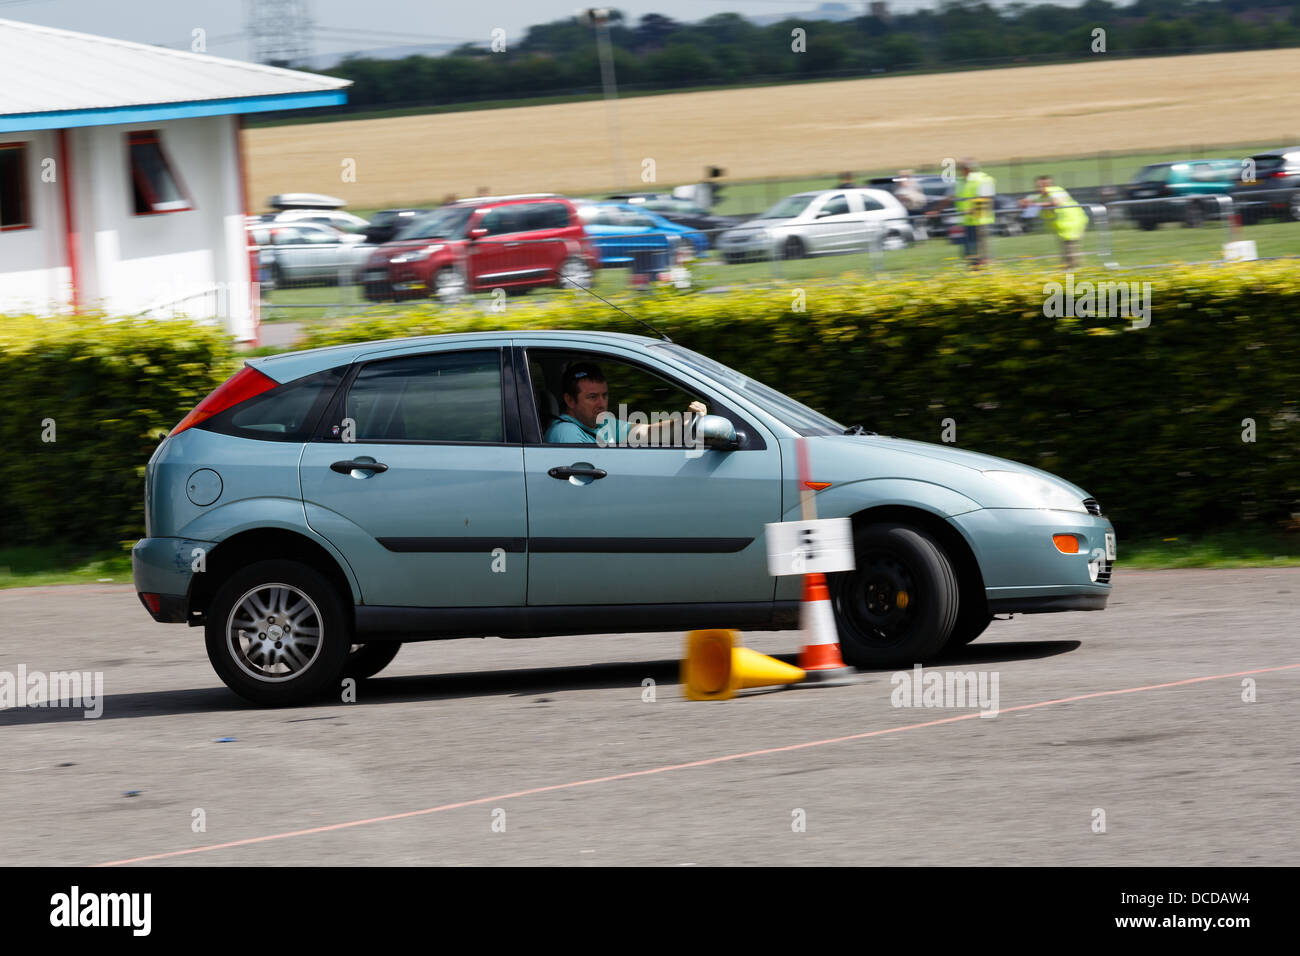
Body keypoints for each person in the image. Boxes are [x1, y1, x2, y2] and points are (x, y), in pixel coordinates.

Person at [544, 361, 707, 447]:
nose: (602, 403)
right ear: (570, 400)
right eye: (592, 397)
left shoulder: (603, 424)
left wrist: (685, 420)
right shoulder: (566, 433)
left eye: (604, 395)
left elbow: (647, 432)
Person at [933, 158, 997, 268]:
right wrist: (937, 209)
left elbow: (986, 198)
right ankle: (973, 271)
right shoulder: (960, 181)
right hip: (967, 221)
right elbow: (950, 197)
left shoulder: (984, 179)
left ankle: (986, 273)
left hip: (981, 221)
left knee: (982, 253)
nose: (959, 171)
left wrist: (972, 210)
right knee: (969, 252)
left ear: (967, 169)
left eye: (960, 168)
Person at [1020, 174, 1088, 268]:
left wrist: (1035, 204)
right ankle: (1072, 270)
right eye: (1037, 186)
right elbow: (1025, 204)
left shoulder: (1056, 190)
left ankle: (1073, 272)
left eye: (1041, 186)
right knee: (1067, 252)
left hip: (1072, 224)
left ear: (1047, 185)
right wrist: (1025, 203)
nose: (1039, 188)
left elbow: (1056, 202)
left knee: (1070, 251)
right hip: (1063, 227)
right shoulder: (1040, 196)